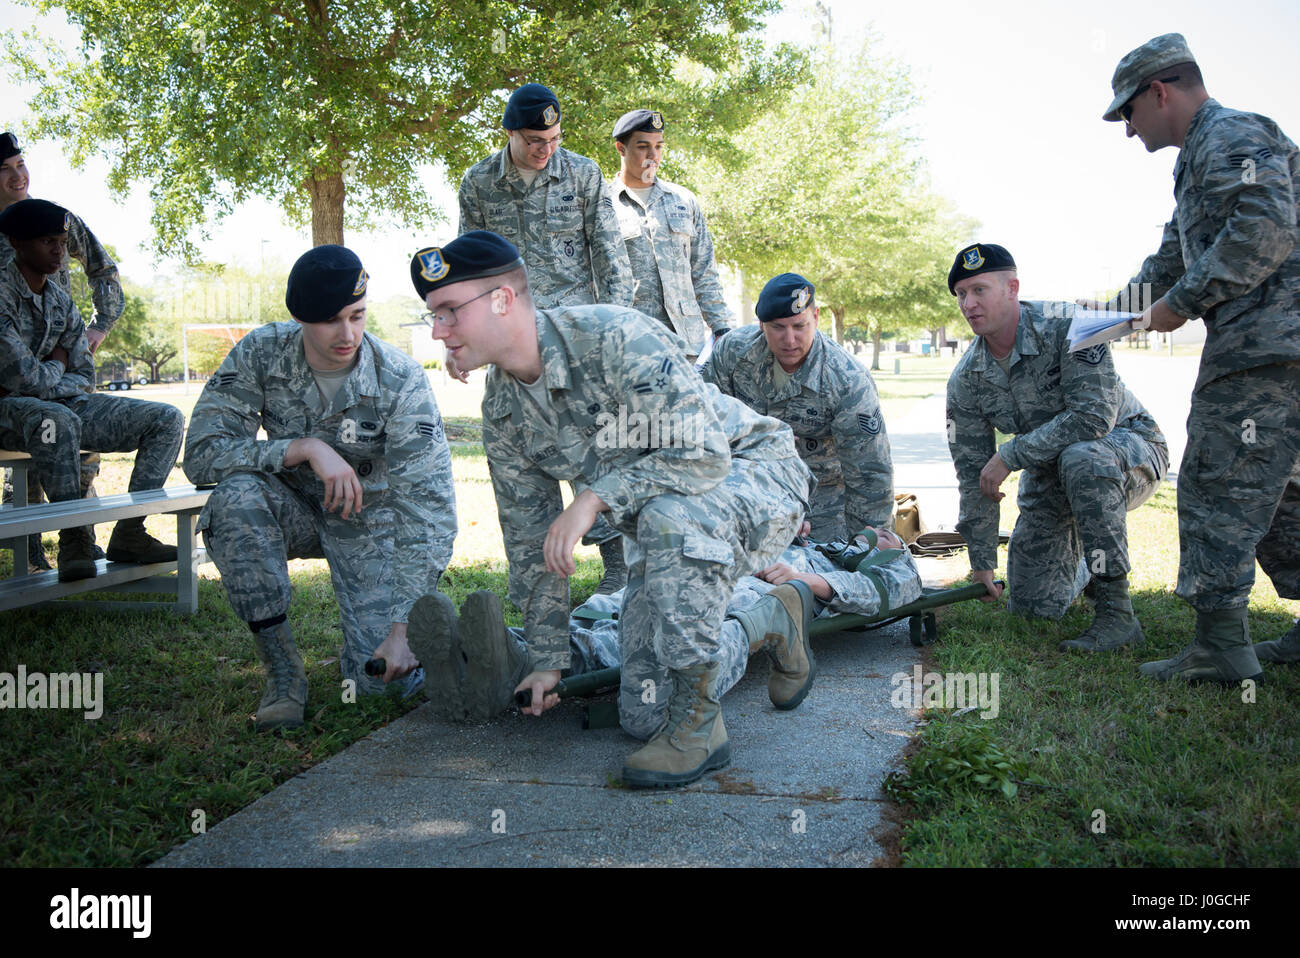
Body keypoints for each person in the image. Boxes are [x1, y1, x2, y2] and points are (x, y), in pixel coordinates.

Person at [411, 230, 816, 788]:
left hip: (754, 471)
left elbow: (701, 454)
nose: (438, 329)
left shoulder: (614, 336)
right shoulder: (504, 409)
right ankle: (767, 618)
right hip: (667, 513)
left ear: (502, 299)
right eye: (434, 315)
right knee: (643, 713)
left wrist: (595, 497)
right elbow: (533, 543)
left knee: (668, 519)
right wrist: (548, 659)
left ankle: (698, 728)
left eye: (450, 311)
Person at [1089, 34, 1300, 680]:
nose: (1128, 130)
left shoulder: (1230, 134)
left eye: (1129, 112)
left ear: (1161, 92)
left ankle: (1220, 649)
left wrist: (1181, 303)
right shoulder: (1200, 159)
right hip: (1271, 347)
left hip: (1265, 349)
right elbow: (1169, 262)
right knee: (1284, 494)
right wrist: (1104, 319)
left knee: (1215, 482)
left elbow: (1265, 226)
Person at [183, 245, 456, 730]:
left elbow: (430, 510)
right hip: (293, 508)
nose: (348, 334)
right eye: (331, 321)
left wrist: (401, 629)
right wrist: (302, 447)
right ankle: (284, 675)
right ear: (299, 318)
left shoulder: (400, 380)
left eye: (357, 315)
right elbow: (203, 454)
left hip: (372, 521)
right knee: (236, 499)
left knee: (379, 684)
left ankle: (431, 643)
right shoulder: (262, 352)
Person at [410, 528, 923, 723]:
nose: (878, 532)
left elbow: (897, 590)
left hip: (750, 595)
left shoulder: (861, 565)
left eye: (888, 535)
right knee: (619, 603)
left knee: (639, 632)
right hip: (708, 567)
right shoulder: (820, 537)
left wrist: (811, 581)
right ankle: (480, 650)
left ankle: (509, 664)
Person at [457, 84, 636, 594]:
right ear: (510, 133)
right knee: (513, 450)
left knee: (598, 446)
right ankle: (533, 582)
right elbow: (470, 271)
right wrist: (467, 335)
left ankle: (618, 568)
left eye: (554, 138)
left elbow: (609, 257)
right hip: (511, 344)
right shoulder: (478, 184)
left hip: (575, 341)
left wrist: (616, 330)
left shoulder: (582, 174)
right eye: (536, 139)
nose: (546, 149)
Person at [945, 243, 1169, 651]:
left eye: (979, 290)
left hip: (1128, 452)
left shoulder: (1068, 323)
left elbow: (1093, 419)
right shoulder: (967, 379)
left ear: (1012, 287)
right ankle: (1083, 564)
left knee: (1082, 457)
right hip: (1050, 474)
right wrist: (981, 562)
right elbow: (973, 472)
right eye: (961, 295)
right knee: (1033, 607)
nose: (968, 304)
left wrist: (1010, 455)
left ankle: (1117, 613)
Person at [0, 198, 184, 580]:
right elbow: (23, 379)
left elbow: (84, 373)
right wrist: (58, 362)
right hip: (11, 412)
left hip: (61, 404)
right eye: (46, 241)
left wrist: (54, 370)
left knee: (165, 419)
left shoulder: (59, 298)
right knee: (58, 418)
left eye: (62, 241)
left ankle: (130, 532)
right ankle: (75, 540)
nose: (59, 251)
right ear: (17, 243)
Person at [1, 131, 125, 570]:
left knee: (78, 443)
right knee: (35, 445)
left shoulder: (57, 220)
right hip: (13, 369)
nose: (18, 175)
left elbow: (102, 268)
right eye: (5, 169)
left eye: (20, 164)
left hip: (65, 355)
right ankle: (29, 547)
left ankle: (79, 537)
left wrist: (98, 327)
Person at [701, 272, 893, 542]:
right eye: (778, 327)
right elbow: (702, 422)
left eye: (799, 326)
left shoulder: (847, 379)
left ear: (815, 318)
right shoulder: (733, 353)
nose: (790, 339)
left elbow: (870, 475)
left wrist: (869, 549)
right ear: (761, 325)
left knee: (820, 576)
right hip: (746, 492)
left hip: (821, 504)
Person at [609, 109, 732, 360]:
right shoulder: (603, 204)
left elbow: (704, 270)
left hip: (687, 344)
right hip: (632, 344)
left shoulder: (683, 201)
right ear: (621, 148)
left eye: (658, 146)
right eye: (643, 146)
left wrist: (721, 328)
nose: (652, 155)